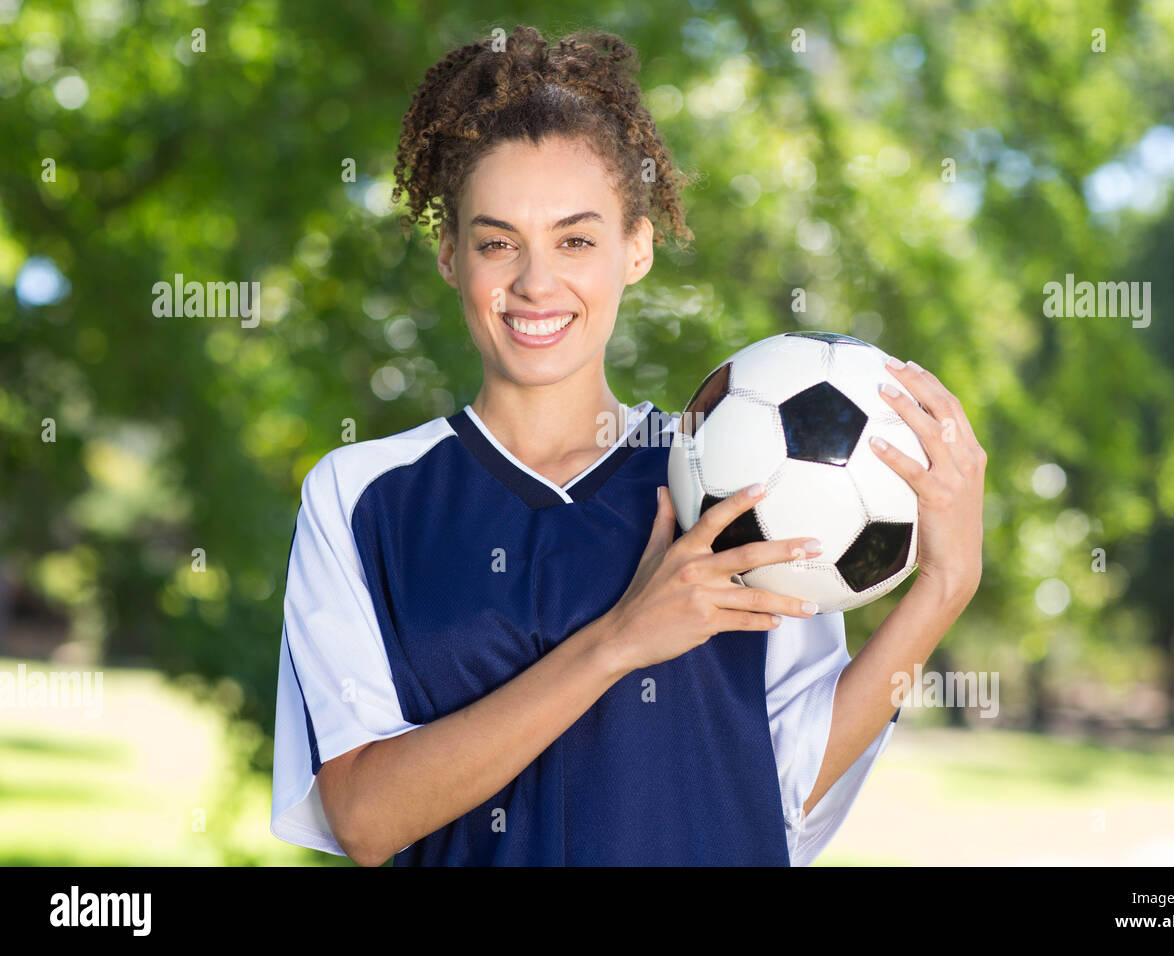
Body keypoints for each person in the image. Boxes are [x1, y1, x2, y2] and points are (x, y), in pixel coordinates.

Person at [270, 25, 986, 866]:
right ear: (451, 256)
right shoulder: (360, 496)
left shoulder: (736, 470)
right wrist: (620, 640)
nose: (536, 282)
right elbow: (364, 817)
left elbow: (781, 786)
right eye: (499, 242)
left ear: (635, 249)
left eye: (576, 239)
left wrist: (945, 583)